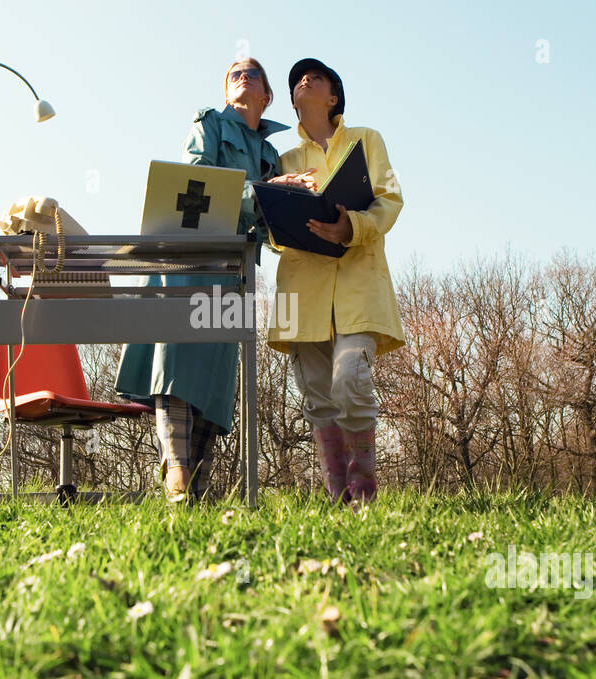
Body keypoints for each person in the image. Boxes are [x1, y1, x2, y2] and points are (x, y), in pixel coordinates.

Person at [115, 58, 288, 500]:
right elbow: (198, 182)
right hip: (190, 260)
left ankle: (198, 491)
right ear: (228, 92)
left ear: (267, 96)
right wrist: (264, 195)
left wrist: (291, 203)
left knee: (213, 383)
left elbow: (271, 230)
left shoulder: (271, 155)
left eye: (253, 73)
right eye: (234, 74)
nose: (243, 76)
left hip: (233, 271)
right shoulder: (209, 125)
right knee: (177, 367)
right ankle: (175, 472)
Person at [265, 58, 406, 503]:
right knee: (317, 397)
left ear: (333, 98)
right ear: (293, 102)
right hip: (301, 292)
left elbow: (389, 199)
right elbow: (270, 234)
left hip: (359, 284)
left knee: (350, 378)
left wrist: (353, 227)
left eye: (317, 77)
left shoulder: (367, 140)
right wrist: (277, 194)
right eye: (297, 81)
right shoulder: (282, 160)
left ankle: (364, 488)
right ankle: (337, 493)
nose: (304, 80)